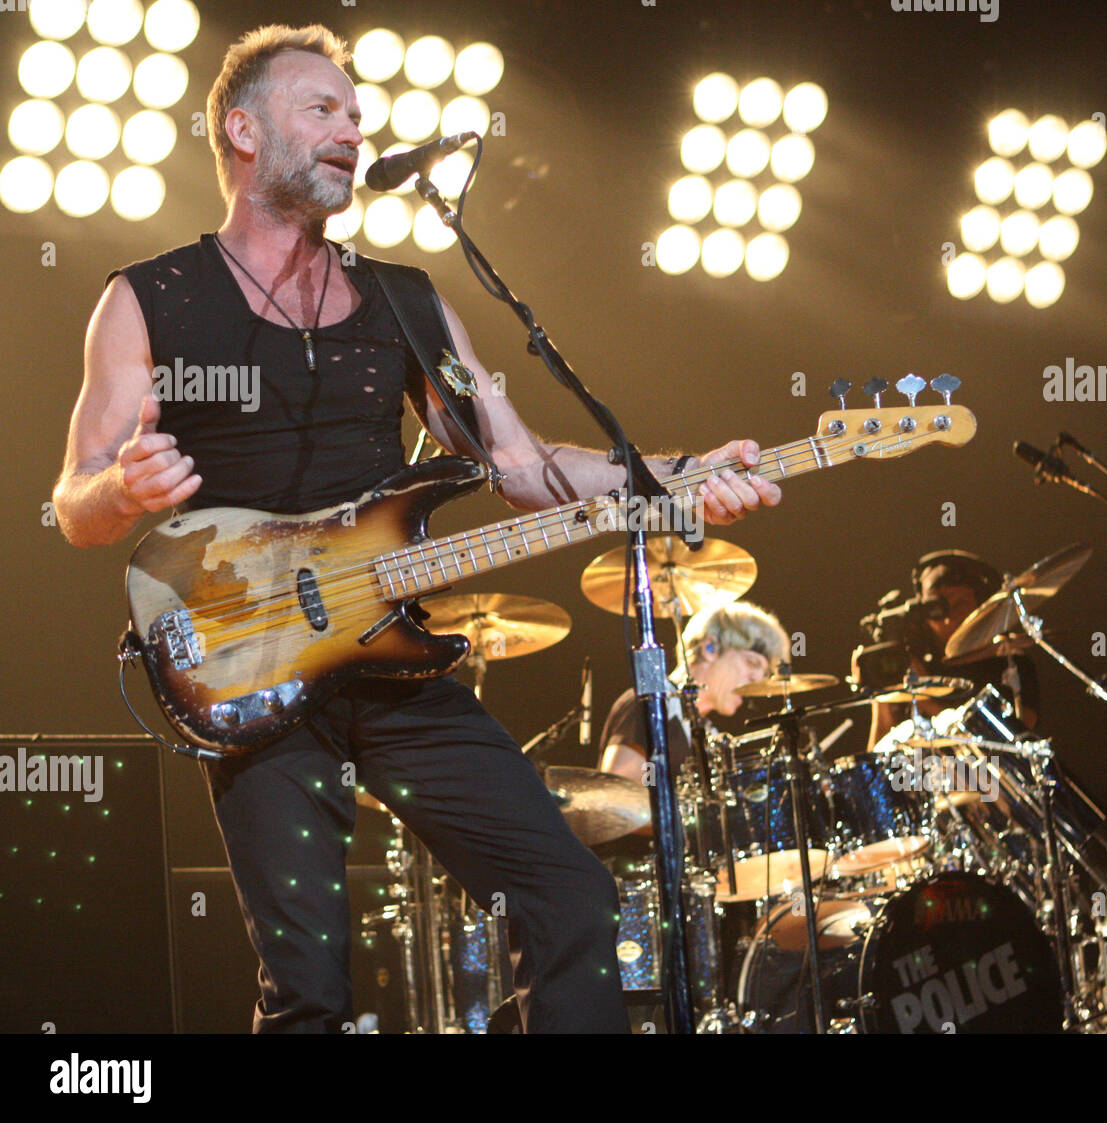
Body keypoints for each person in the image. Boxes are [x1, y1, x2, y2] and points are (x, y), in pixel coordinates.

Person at [51, 24, 782, 1034]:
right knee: (308, 989)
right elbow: (74, 504)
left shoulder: (403, 297)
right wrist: (123, 488)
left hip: (400, 663)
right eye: (325, 108)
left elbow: (522, 468)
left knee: (571, 894)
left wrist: (675, 476)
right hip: (251, 663)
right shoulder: (149, 296)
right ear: (243, 130)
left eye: (357, 113)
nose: (354, 128)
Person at [598, 600, 791, 784]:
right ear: (710, 649)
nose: (758, 679)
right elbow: (620, 799)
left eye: (764, 672)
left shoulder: (707, 735)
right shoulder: (653, 703)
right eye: (752, 663)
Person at [864, 549, 1039, 750]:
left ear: (982, 604)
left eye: (960, 605)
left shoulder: (1010, 663)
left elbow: (1011, 743)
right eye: (937, 608)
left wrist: (925, 700)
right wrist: (879, 687)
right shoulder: (916, 664)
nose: (949, 618)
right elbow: (876, 755)